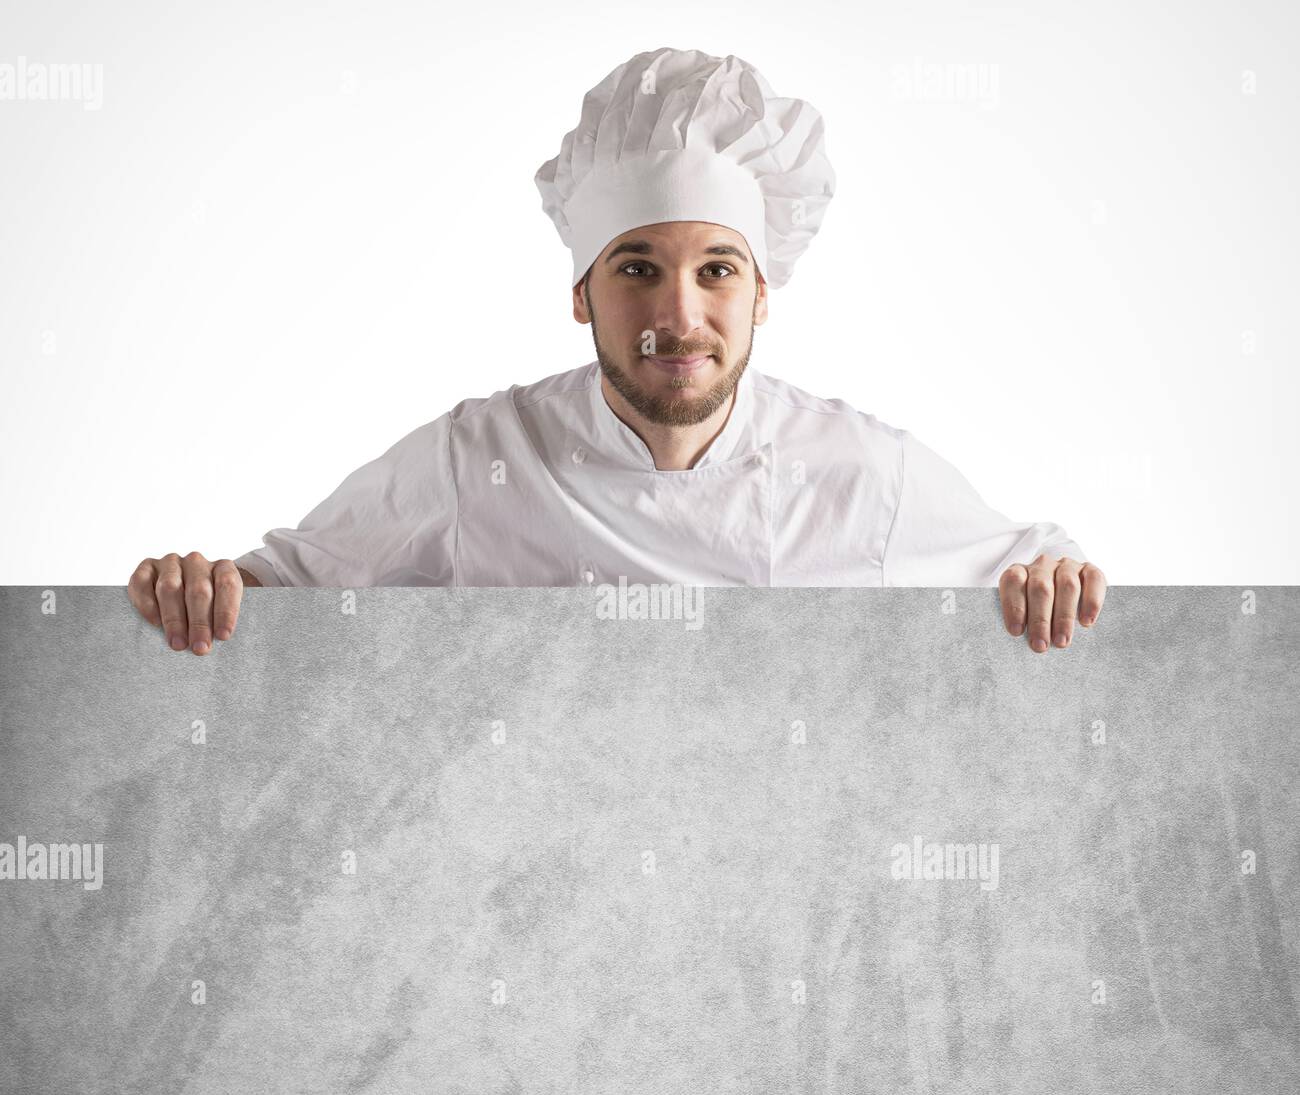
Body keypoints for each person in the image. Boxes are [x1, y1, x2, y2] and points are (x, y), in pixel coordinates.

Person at [128, 47, 1106, 656]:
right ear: (579, 293)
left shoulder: (859, 471)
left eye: (716, 270)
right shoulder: (478, 458)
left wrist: (1054, 577)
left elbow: (1036, 566)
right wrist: (201, 587)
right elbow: (279, 588)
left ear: (763, 293)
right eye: (637, 267)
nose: (677, 315)